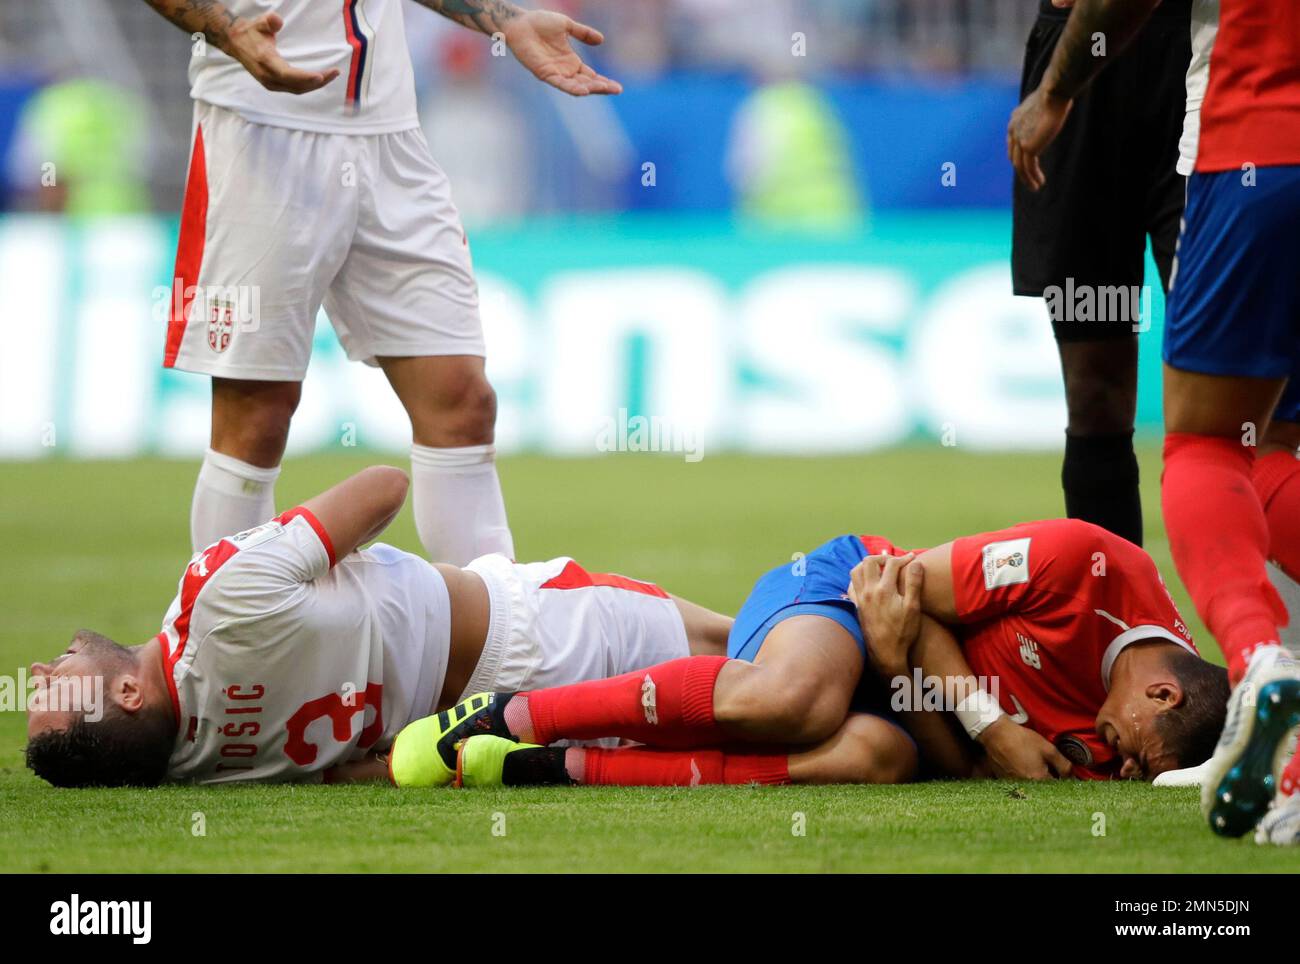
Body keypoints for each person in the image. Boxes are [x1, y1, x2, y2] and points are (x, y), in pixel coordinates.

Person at [141, 0, 620, 564]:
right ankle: (226, 638)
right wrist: (228, 31)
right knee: (258, 413)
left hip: (391, 136)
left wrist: (505, 19)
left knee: (463, 401)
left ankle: (496, 634)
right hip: (260, 126)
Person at [1006, 0, 1300, 844]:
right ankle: (1145, 674)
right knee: (1101, 398)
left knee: (1232, 433)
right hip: (1089, 49)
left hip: (1210, 85)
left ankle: (1250, 683)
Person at [388, 517, 1230, 788]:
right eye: (1140, 753)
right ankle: (502, 715)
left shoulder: (1122, 746)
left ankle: (542, 767)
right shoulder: (1084, 564)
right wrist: (989, 720)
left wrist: (905, 674)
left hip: (898, 684)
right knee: (799, 704)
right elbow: (891, 588)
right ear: (1161, 696)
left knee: (874, 755)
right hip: (841, 591)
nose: (1123, 770)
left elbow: (957, 770)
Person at [23, 466, 728, 787]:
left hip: (487, 734)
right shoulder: (218, 596)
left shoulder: (197, 771)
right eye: (56, 692)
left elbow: (358, 773)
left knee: (736, 716)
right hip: (535, 630)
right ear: (127, 696)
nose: (44, 672)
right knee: (749, 657)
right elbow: (386, 485)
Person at [1011, 0, 1190, 548]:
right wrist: (1057, 91)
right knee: (1094, 392)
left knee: (1231, 381)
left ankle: (1264, 627)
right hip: (1078, 64)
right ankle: (1123, 623)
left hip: (1197, 65)